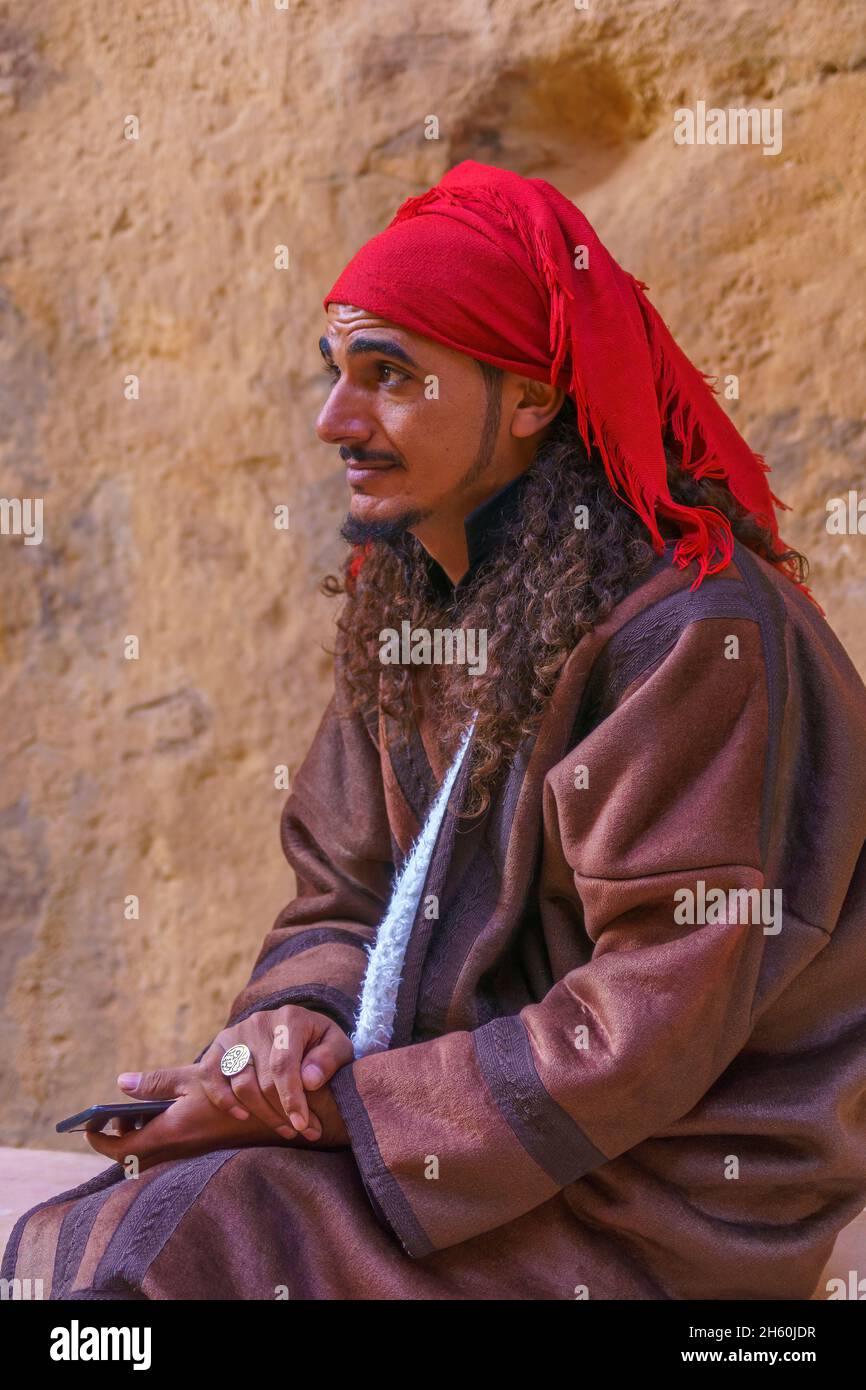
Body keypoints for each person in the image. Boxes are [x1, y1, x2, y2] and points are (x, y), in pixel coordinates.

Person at [5, 160, 866, 1301]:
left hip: (658, 1197)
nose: (333, 419)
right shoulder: (413, 597)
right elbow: (340, 890)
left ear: (530, 397)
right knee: (104, 1231)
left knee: (190, 1241)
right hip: (455, 1147)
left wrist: (341, 1114)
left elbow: (655, 1008)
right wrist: (285, 1041)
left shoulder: (697, 636)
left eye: (390, 377)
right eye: (334, 372)